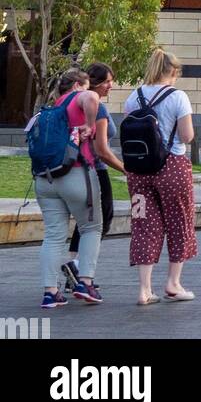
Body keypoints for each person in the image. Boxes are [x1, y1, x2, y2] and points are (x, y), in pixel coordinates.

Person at [124, 47, 197, 306]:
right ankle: (173, 283)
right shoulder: (179, 97)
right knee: (179, 222)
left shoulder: (134, 96)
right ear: (174, 72)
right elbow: (187, 136)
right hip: (173, 166)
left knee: (144, 225)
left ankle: (144, 290)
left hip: (139, 171)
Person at [32, 67, 103, 308]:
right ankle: (85, 283)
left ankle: (51, 292)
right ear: (76, 86)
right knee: (91, 227)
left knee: (53, 235)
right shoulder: (77, 97)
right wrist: (90, 125)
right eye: (85, 85)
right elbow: (92, 98)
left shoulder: (49, 110)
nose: (89, 91)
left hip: (44, 179)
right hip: (76, 173)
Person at [63, 62, 126, 293]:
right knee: (101, 220)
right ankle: (79, 267)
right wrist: (125, 169)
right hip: (96, 169)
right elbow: (102, 149)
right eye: (108, 81)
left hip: (78, 168)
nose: (112, 85)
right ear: (96, 82)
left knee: (85, 221)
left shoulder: (74, 103)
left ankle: (73, 268)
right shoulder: (96, 107)